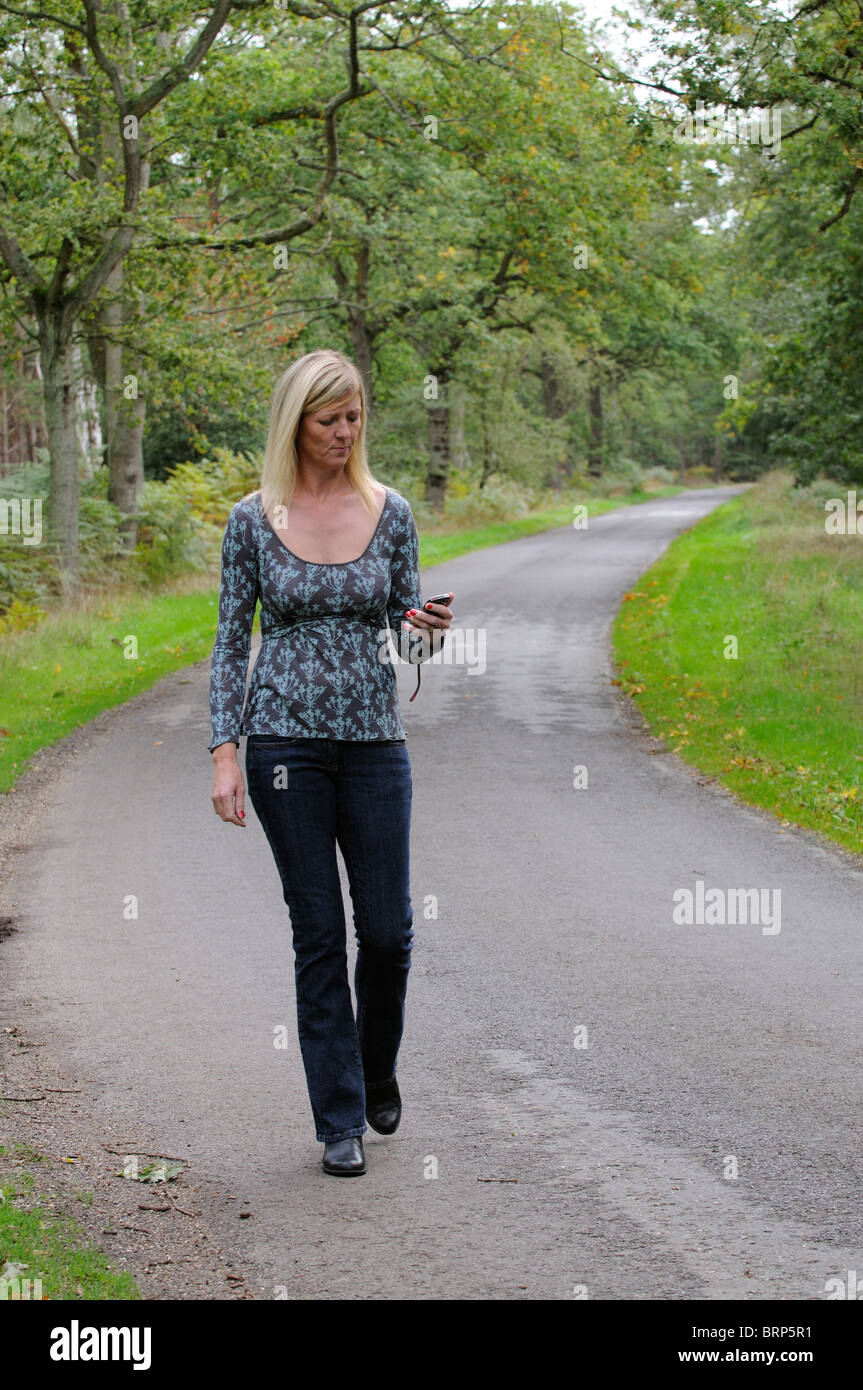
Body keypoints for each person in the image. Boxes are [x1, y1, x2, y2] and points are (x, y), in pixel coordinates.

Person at [208, 348, 453, 1177]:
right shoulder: (253, 518)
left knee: (386, 934)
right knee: (318, 936)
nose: (344, 432)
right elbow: (225, 643)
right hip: (283, 745)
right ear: (295, 424)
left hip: (376, 742)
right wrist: (224, 751)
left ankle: (376, 1062)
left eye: (353, 417)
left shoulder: (392, 512)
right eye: (328, 420)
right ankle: (338, 1119)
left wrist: (424, 630)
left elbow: (402, 624)